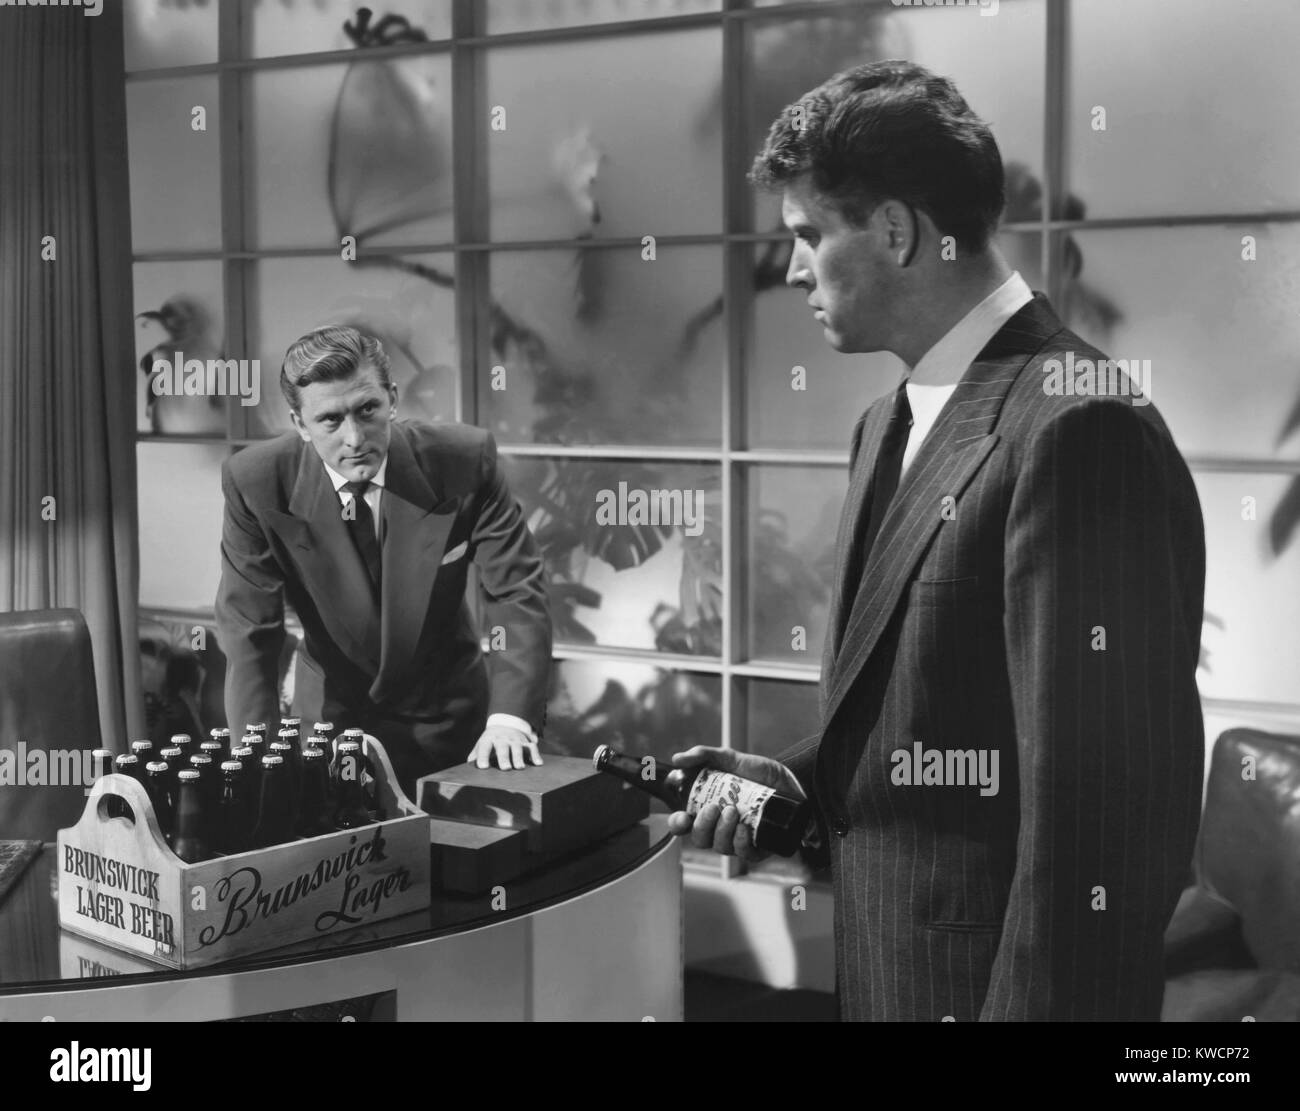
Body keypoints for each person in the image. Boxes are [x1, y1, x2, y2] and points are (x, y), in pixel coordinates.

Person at [670, 61, 1205, 1021]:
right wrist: (797, 776)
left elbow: (1103, 834)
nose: (792, 270)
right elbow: (941, 716)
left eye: (806, 235)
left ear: (897, 230)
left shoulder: (1081, 427)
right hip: (885, 974)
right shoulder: (885, 424)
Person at [216, 325, 552, 792]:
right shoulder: (256, 482)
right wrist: (256, 759)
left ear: (392, 399)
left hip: (449, 723)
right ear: (299, 425)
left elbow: (516, 592)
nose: (355, 438)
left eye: (367, 410)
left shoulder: (462, 460)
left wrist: (510, 719)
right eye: (331, 420)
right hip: (331, 726)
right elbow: (249, 631)